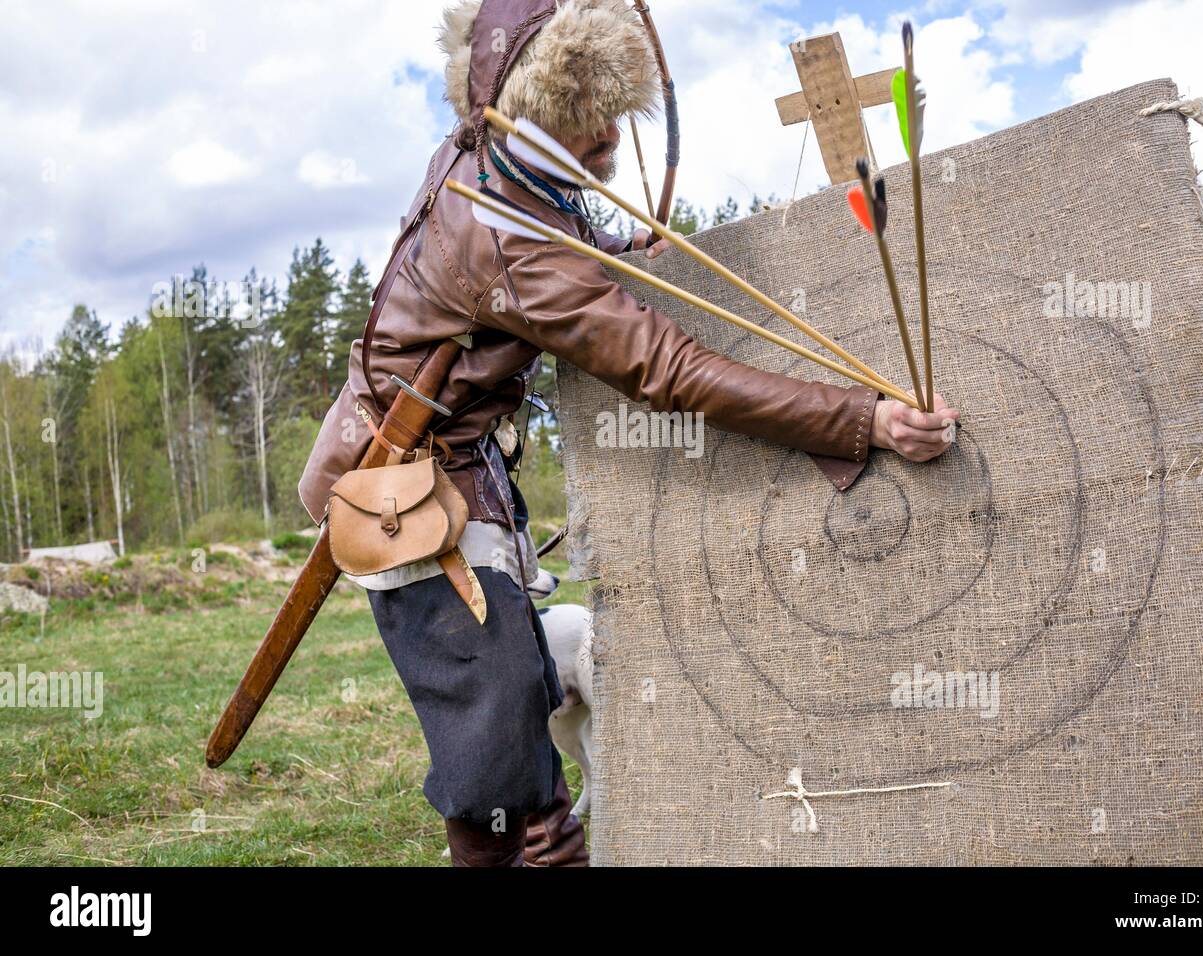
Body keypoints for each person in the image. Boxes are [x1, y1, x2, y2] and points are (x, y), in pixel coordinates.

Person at [298, 0, 957, 867]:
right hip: (410, 506)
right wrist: (860, 417)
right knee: (499, 770)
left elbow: (550, 228)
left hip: (450, 484)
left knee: (520, 703)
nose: (609, 132)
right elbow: (671, 372)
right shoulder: (505, 238)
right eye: (584, 117)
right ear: (531, 110)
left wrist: (608, 242)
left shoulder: (481, 154)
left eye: (615, 108)